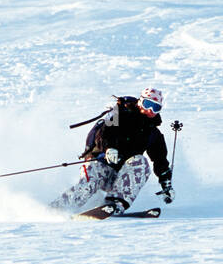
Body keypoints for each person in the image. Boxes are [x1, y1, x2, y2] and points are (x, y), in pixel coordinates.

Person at [50, 87, 175, 215]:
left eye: (156, 108)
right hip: (101, 164)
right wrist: (109, 148)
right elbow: (104, 132)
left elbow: (160, 160)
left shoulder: (153, 133)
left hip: (121, 177)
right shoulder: (119, 114)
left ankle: (115, 204)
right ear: (140, 101)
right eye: (147, 104)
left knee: (141, 162)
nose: (150, 110)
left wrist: (166, 184)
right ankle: (58, 209)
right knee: (89, 185)